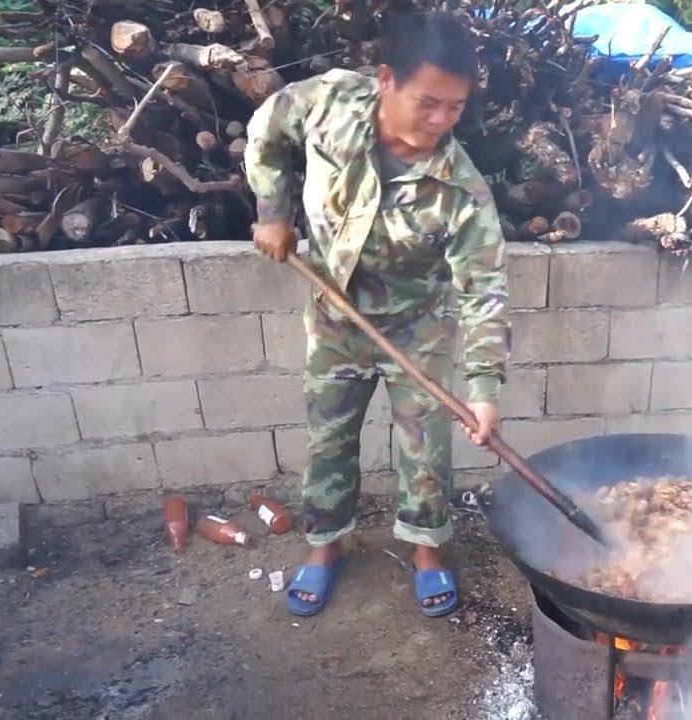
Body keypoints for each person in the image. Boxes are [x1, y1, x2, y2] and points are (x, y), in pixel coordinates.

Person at [244, 10, 510, 619]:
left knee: (425, 447)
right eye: (429, 102)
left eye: (456, 108)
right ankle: (324, 547)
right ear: (386, 79)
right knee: (329, 439)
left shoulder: (461, 188)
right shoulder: (330, 102)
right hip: (334, 321)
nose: (442, 121)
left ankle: (426, 553)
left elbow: (484, 285)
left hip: (417, 329)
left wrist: (485, 388)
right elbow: (267, 129)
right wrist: (272, 211)